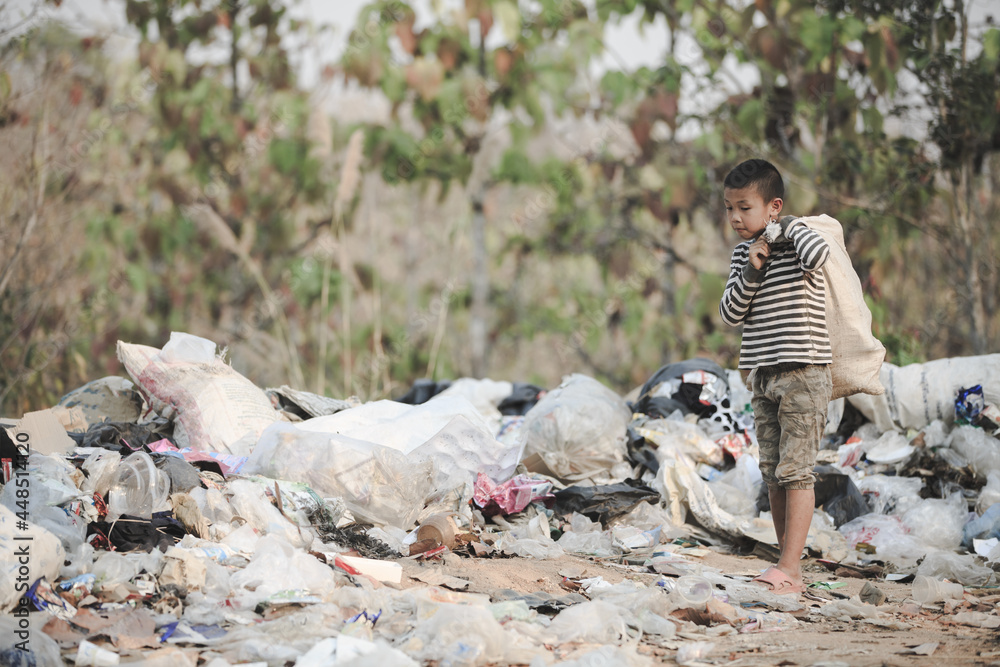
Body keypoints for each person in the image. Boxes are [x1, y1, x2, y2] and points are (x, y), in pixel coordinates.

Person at [719, 158, 832, 595]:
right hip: (763, 375)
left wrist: (785, 232)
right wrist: (752, 267)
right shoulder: (742, 257)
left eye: (744, 207)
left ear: (773, 207)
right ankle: (786, 562)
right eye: (729, 208)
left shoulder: (802, 238)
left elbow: (820, 256)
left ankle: (791, 569)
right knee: (773, 471)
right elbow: (731, 313)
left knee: (797, 470)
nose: (734, 218)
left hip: (804, 372)